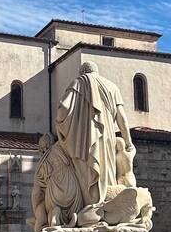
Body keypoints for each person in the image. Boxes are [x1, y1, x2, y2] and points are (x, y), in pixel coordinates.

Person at [55, 62, 136, 216]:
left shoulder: (78, 82)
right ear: (97, 71)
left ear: (82, 72)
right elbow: (121, 118)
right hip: (108, 138)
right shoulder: (112, 87)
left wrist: (62, 126)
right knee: (107, 174)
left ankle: (89, 212)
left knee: (86, 177)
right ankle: (106, 212)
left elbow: (64, 108)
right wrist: (128, 140)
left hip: (82, 140)